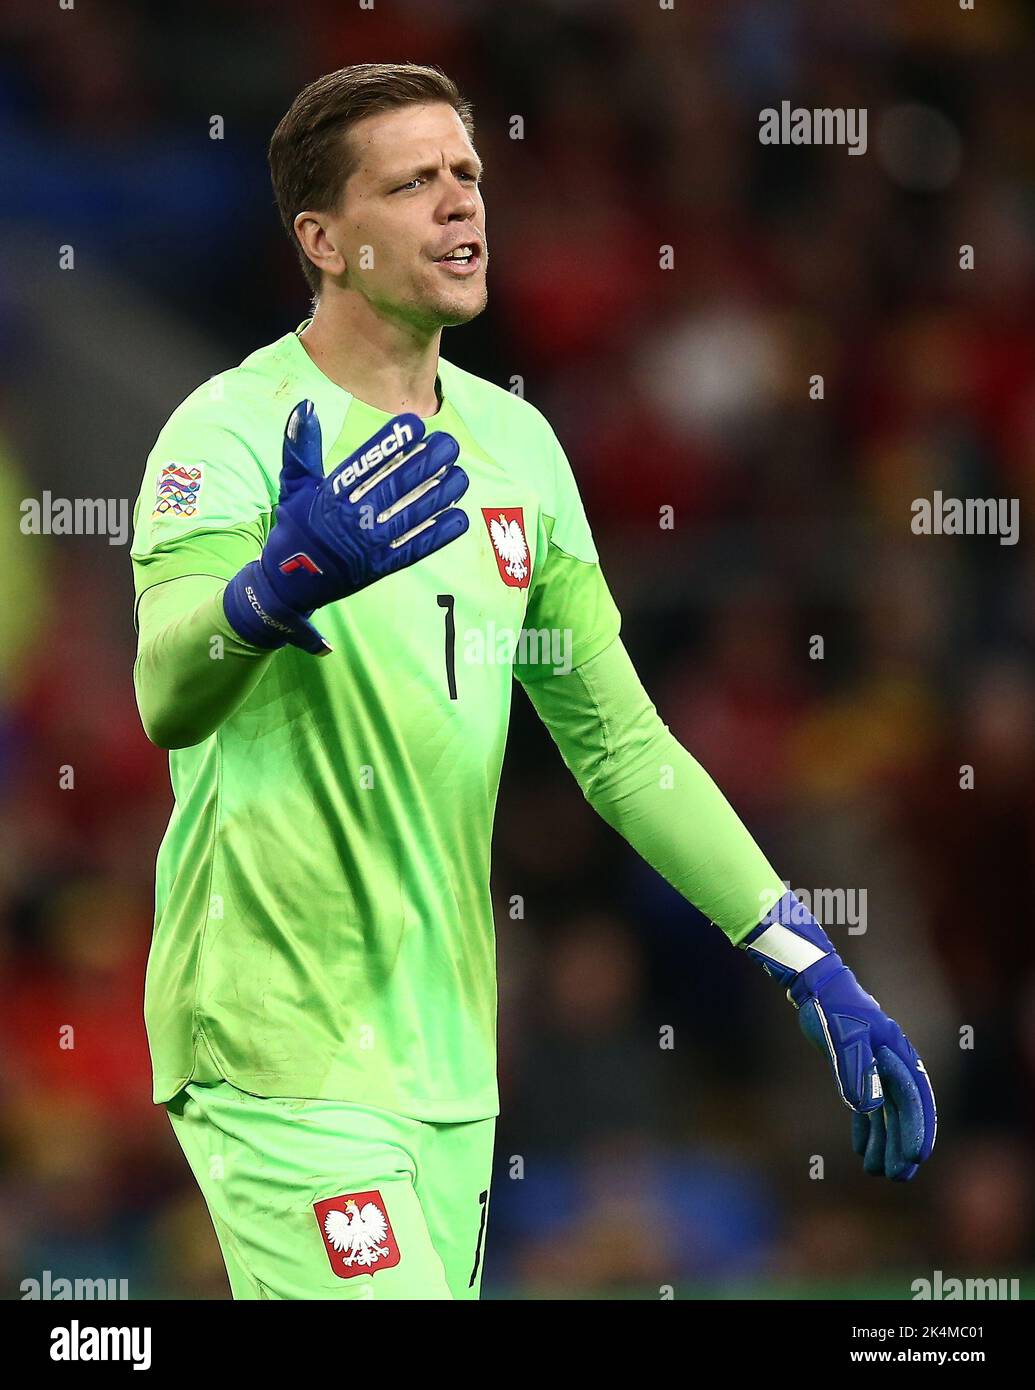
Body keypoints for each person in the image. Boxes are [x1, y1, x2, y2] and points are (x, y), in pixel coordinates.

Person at [130, 62, 936, 1301]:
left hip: (448, 1056)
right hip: (271, 1033)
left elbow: (621, 746)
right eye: (414, 184)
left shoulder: (518, 449)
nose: (462, 206)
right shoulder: (228, 430)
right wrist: (266, 592)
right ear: (326, 240)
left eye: (468, 176)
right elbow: (163, 692)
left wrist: (801, 951)